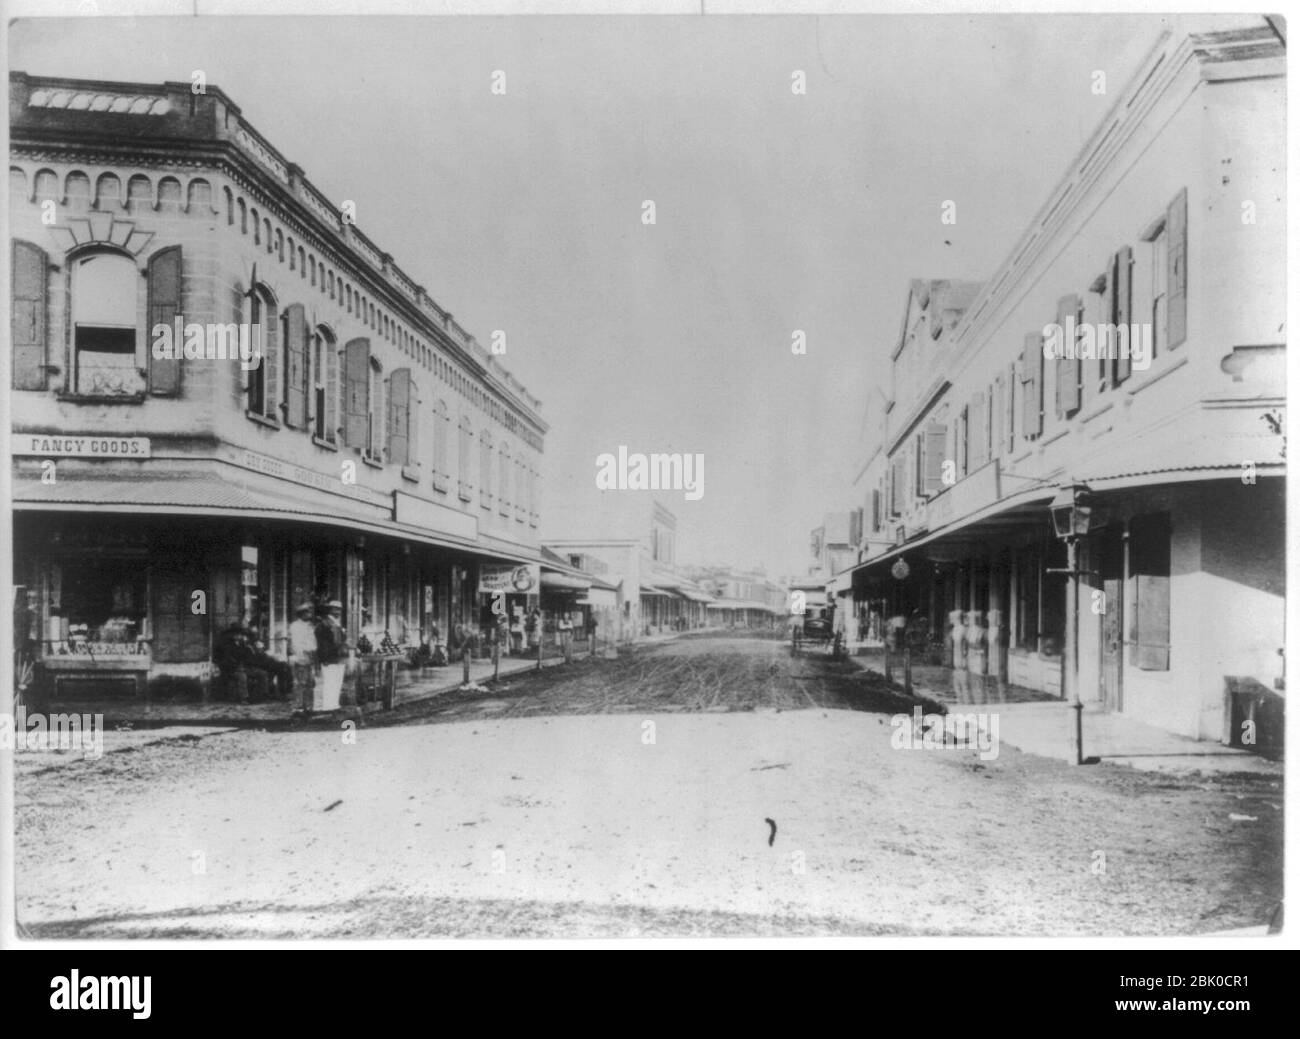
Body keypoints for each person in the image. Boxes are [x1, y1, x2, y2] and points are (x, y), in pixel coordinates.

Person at [315, 601, 348, 711]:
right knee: (329, 681)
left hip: (338, 656)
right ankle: (327, 705)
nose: (338, 612)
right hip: (329, 657)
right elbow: (322, 643)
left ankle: (334, 704)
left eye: (339, 610)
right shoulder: (324, 624)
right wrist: (325, 657)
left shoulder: (336, 623)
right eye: (335, 609)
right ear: (330, 610)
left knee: (337, 681)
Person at [288, 603, 317, 714]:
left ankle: (308, 706)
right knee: (300, 683)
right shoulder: (295, 626)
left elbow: (313, 641)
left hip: (310, 658)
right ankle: (298, 707)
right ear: (302, 614)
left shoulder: (310, 626)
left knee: (310, 683)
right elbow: (295, 644)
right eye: (307, 612)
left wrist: (313, 650)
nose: (309, 615)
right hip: (300, 657)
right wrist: (306, 650)